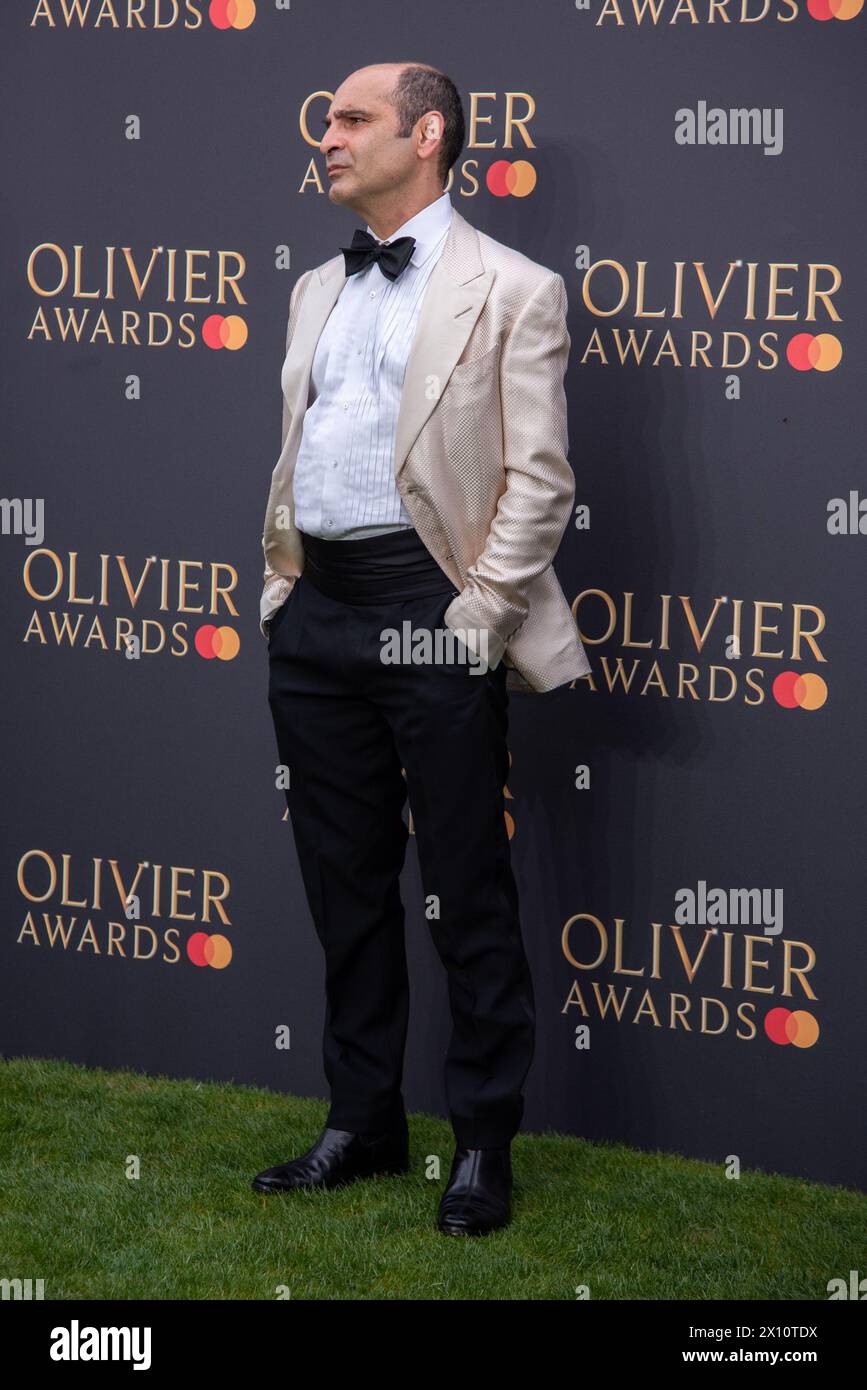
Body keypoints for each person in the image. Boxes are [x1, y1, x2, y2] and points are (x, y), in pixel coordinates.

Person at [252, 61, 590, 1235]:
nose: (328, 137)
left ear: (427, 134)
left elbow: (539, 478)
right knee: (343, 886)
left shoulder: (515, 288)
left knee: (466, 885)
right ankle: (363, 1120)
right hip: (320, 614)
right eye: (330, 121)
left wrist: (478, 617)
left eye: (352, 119)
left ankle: (483, 1144)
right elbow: (309, 448)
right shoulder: (312, 286)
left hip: (432, 609)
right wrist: (281, 592)